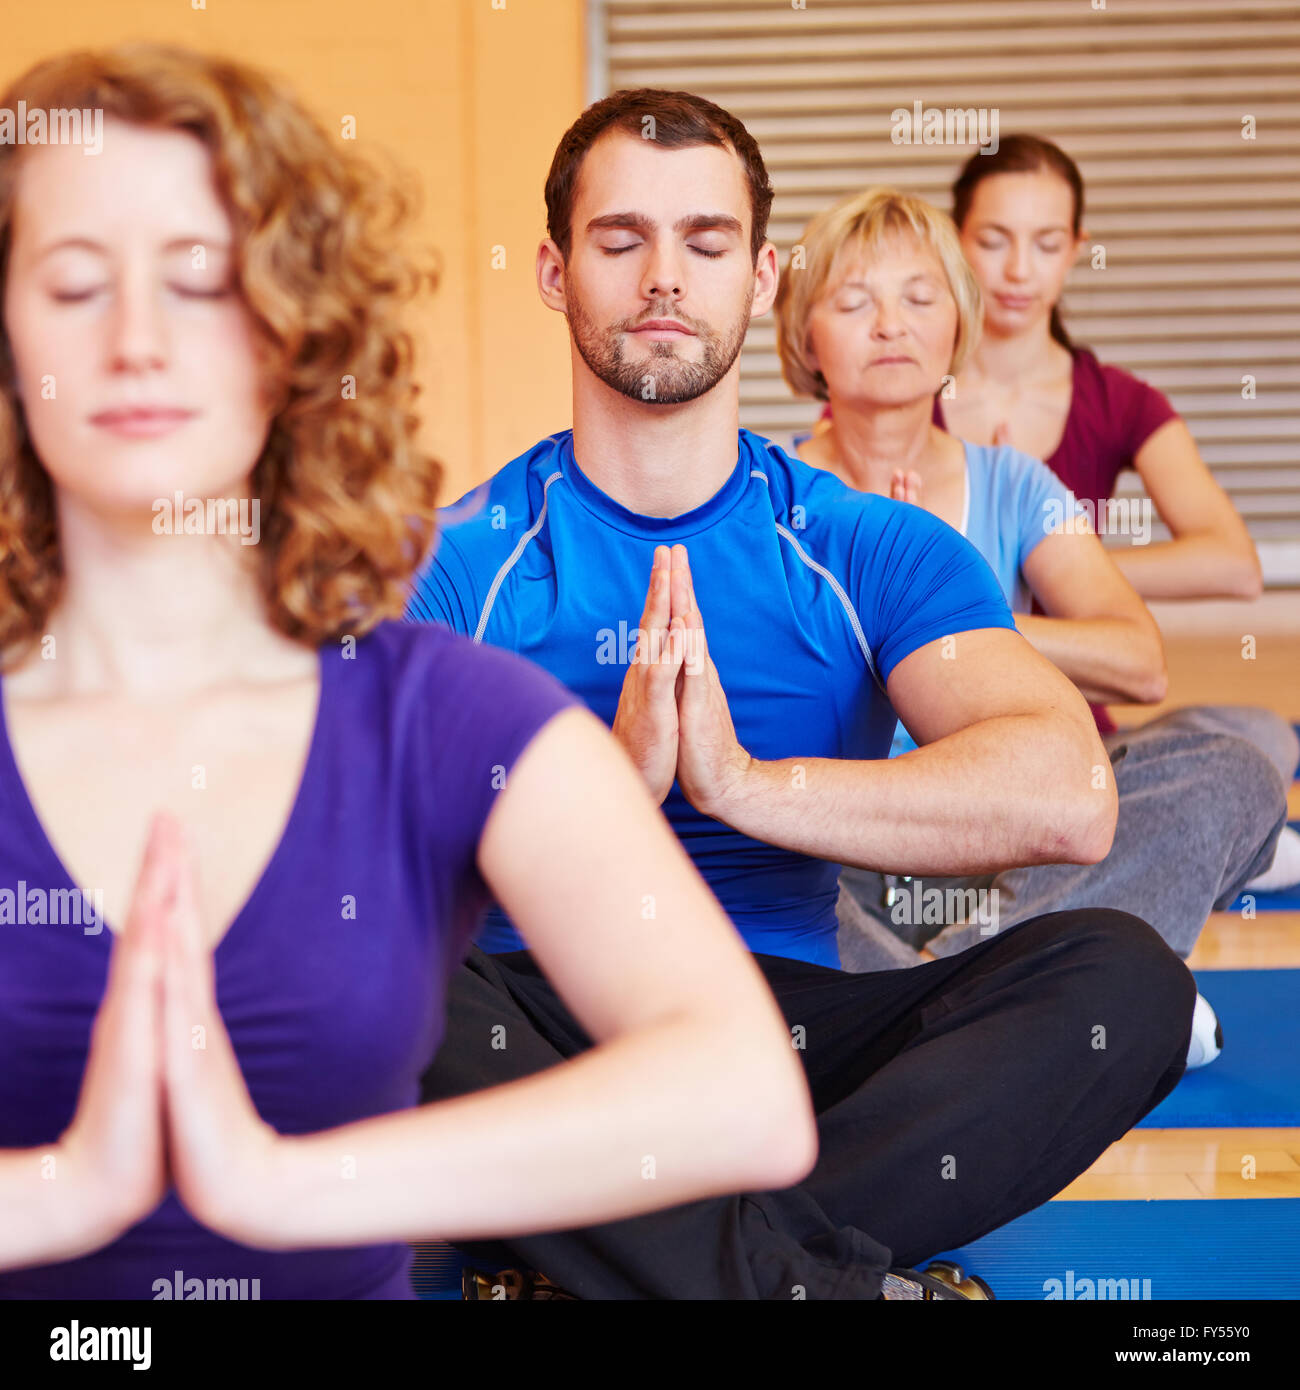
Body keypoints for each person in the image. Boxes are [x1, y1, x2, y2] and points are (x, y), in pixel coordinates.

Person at [0, 45, 819, 1298]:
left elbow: (743, 1095)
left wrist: (284, 1184)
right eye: (72, 284)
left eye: (202, 281)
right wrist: (69, 1190)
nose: (136, 341)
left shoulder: (436, 710)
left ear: (292, 331)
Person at [408, 87, 1195, 1301]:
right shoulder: (457, 558)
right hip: (526, 1025)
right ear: (557, 274)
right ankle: (802, 1283)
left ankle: (595, 1260)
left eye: (706, 242)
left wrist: (747, 785)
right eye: (621, 241)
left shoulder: (867, 546)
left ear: (761, 273)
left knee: (1124, 979)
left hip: (776, 1038)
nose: (665, 276)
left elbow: (1070, 791)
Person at [777, 187, 1288, 1065]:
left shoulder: (1014, 485)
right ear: (806, 340)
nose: (891, 324)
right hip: (847, 849)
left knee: (1236, 772)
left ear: (956, 330)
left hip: (1011, 851)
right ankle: (1025, 1001)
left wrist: (941, 612)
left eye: (920, 297)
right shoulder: (765, 497)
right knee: (706, 848)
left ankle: (920, 1009)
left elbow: (1137, 662)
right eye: (855, 302)